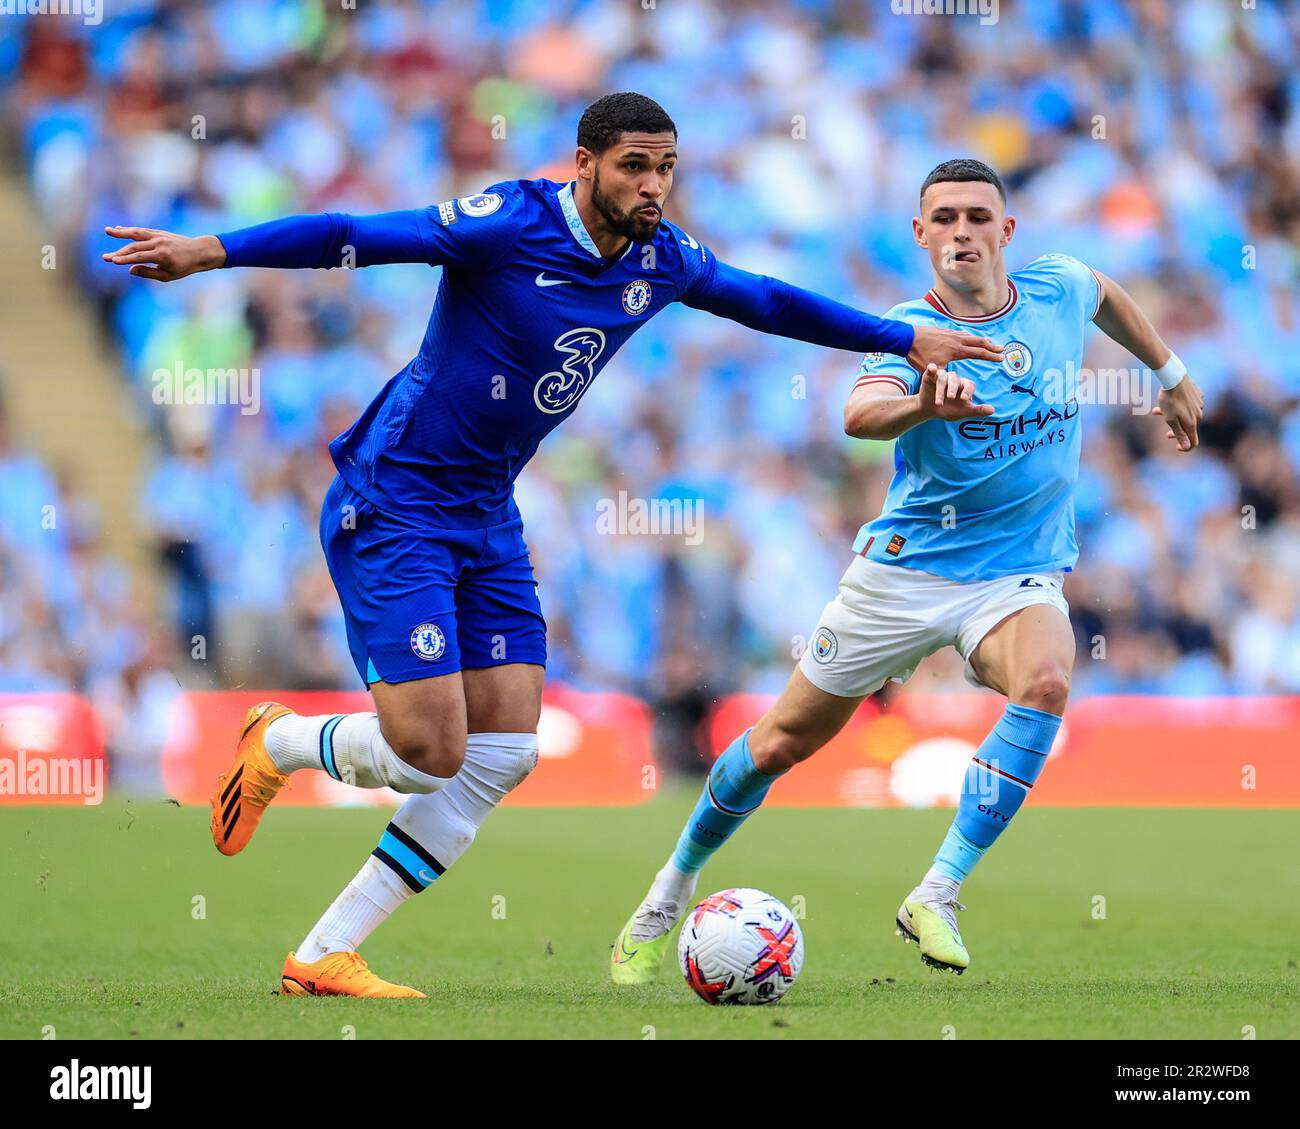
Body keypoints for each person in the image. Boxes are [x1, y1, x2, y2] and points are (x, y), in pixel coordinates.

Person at [103, 94, 1001, 998]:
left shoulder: (665, 258)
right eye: (634, 167)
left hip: (487, 513)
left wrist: (903, 335)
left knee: (506, 748)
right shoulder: (505, 222)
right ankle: (285, 742)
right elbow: (355, 233)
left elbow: (766, 301)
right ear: (584, 163)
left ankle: (323, 952)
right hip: (396, 502)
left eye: (666, 168)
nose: (654, 186)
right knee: (429, 749)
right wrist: (212, 251)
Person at [610, 157, 1204, 983]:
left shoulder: (1057, 289)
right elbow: (859, 412)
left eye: (977, 216)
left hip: (1015, 574)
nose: (962, 231)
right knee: (780, 742)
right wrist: (928, 401)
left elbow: (1104, 291)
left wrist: (1169, 373)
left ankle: (938, 889)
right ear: (921, 235)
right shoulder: (908, 327)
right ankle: (669, 888)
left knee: (1045, 681)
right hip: (903, 575)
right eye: (945, 219)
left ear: (1007, 231)